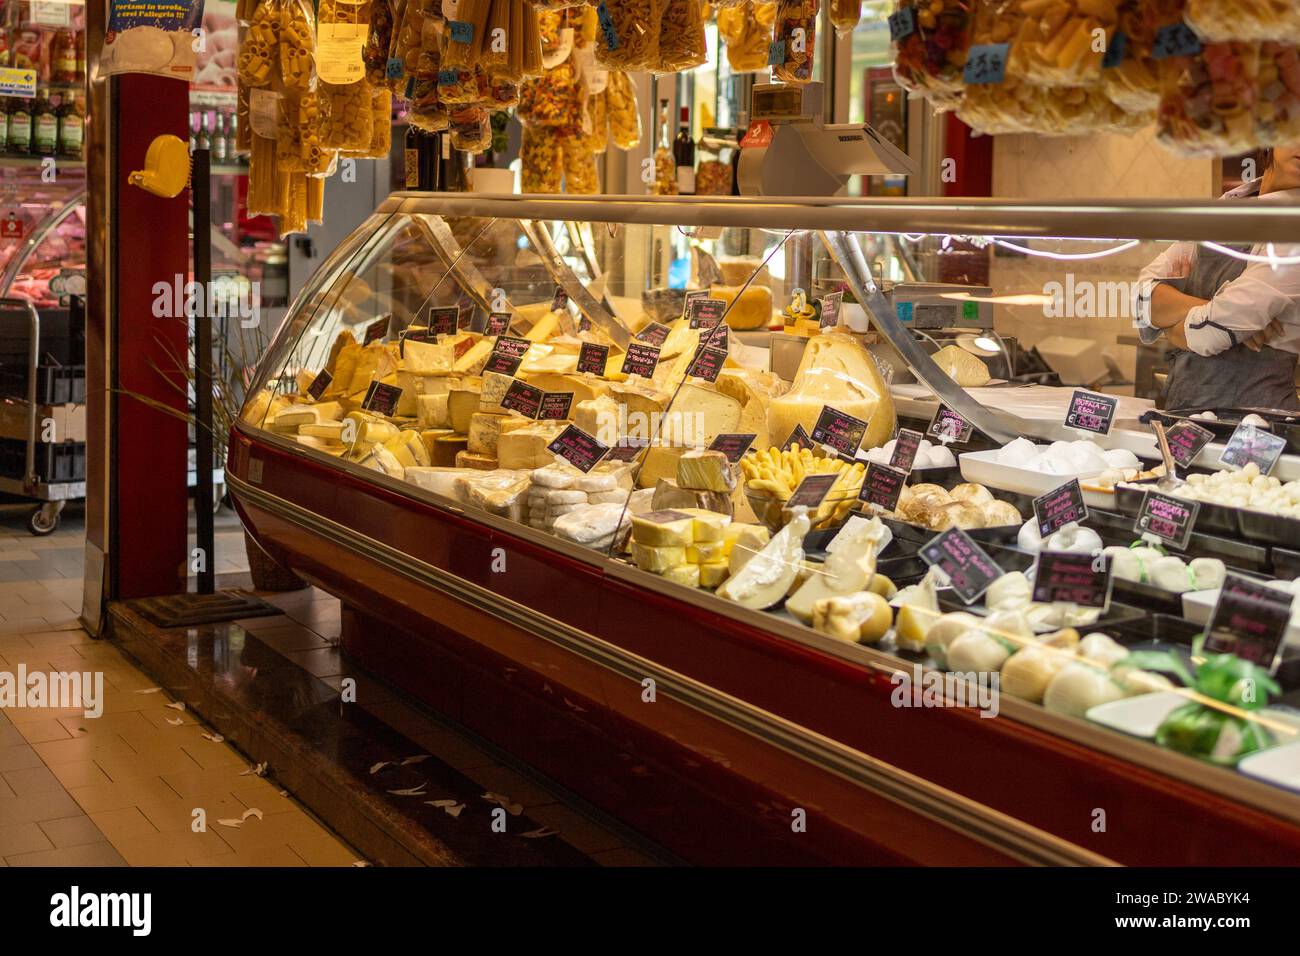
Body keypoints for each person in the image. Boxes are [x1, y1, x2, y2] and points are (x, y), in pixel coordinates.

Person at [1137, 145, 1300, 411]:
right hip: (1183, 414)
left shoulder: (1294, 230)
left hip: (1254, 426)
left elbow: (1210, 333)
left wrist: (1168, 324)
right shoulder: (1228, 205)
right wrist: (1211, 313)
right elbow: (1141, 300)